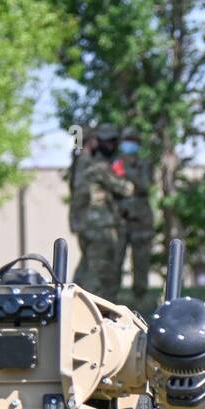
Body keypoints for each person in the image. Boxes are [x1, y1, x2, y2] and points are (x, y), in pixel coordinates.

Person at [70, 123, 134, 301]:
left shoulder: (78, 164)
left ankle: (72, 304)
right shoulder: (96, 166)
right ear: (93, 141)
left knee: (86, 270)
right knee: (100, 275)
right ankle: (94, 313)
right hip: (101, 227)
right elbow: (127, 188)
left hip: (84, 225)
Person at [118, 127, 155, 304]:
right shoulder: (114, 164)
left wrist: (127, 171)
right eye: (127, 140)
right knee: (115, 260)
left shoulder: (144, 164)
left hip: (141, 220)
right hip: (119, 219)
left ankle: (140, 298)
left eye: (133, 141)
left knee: (140, 261)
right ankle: (112, 297)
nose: (129, 144)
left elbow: (145, 186)